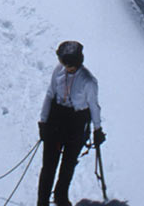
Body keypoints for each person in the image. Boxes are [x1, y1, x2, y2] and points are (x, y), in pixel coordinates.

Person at [37, 40, 104, 206]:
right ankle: (42, 201)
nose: (67, 68)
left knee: (68, 164)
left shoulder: (89, 81)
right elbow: (50, 94)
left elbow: (94, 106)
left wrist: (97, 129)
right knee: (49, 165)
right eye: (64, 63)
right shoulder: (58, 72)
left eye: (70, 65)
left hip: (76, 123)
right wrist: (43, 121)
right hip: (56, 119)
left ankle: (60, 197)